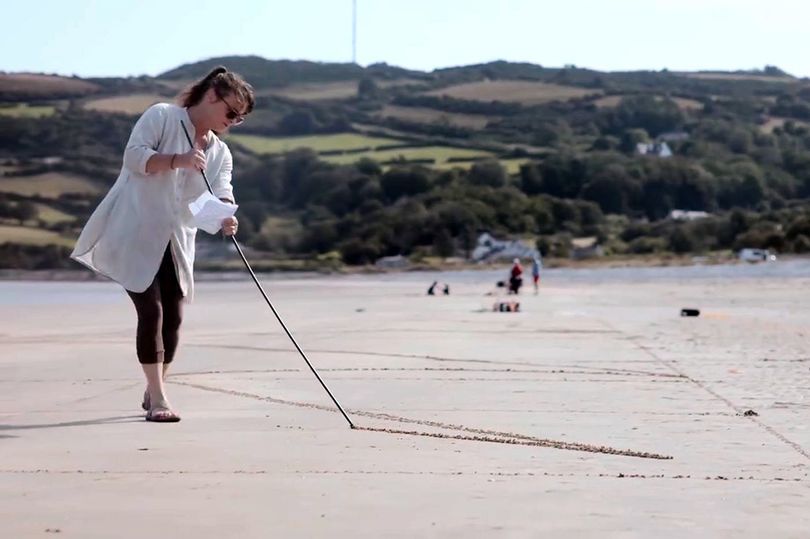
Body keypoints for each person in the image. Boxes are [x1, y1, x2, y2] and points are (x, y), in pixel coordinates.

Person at [70, 66, 255, 423]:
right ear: (211, 96)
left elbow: (219, 194)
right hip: (135, 232)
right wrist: (177, 161)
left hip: (177, 241)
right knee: (150, 311)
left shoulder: (221, 153)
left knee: (174, 317)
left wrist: (225, 218)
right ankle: (158, 398)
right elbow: (134, 157)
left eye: (240, 118)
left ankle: (154, 387)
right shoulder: (161, 116)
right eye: (231, 112)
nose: (234, 120)